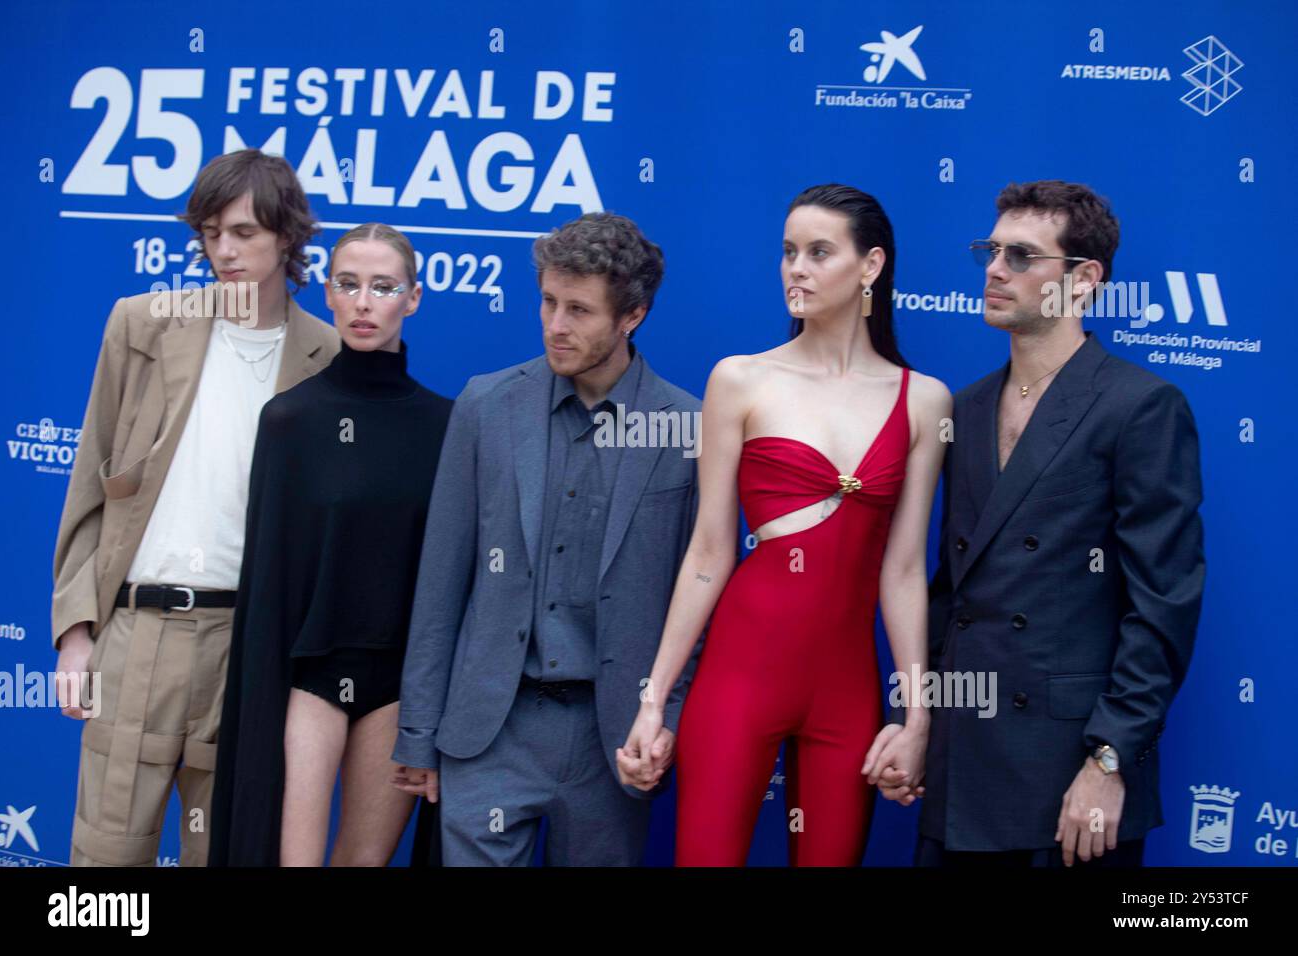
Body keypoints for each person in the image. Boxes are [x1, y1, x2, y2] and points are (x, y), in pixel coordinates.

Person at [623, 184, 951, 866]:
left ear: (870, 267)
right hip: (739, 676)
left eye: (818, 252)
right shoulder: (740, 381)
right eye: (788, 252)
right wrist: (654, 702)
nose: (795, 269)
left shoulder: (924, 401)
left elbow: (905, 570)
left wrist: (917, 715)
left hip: (849, 689)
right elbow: (709, 552)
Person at [889, 180, 1204, 868]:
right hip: (962, 763)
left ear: (1083, 279)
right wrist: (918, 724)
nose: (996, 270)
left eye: (1023, 256)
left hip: (1072, 775)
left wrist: (1109, 759)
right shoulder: (964, 409)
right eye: (991, 251)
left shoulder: (1141, 406)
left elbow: (1164, 605)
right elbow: (956, 592)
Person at [51, 148, 339, 866]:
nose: (225, 250)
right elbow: (91, 481)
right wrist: (75, 632)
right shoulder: (142, 325)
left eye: (244, 231)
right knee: (104, 871)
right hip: (138, 632)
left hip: (249, 646)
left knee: (226, 853)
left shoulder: (327, 355)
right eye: (212, 233)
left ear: (287, 236)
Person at [392, 212, 703, 866]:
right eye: (548, 302)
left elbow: (698, 601)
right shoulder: (485, 405)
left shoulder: (688, 428)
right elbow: (441, 583)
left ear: (632, 317)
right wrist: (418, 737)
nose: (555, 325)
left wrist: (665, 720)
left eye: (580, 311)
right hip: (490, 730)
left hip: (611, 737)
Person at [209, 224, 453, 866]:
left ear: (414, 298)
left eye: (383, 286)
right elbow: (268, 581)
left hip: (399, 683)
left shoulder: (449, 426)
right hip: (310, 677)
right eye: (348, 284)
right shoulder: (289, 419)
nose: (364, 302)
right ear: (328, 293)